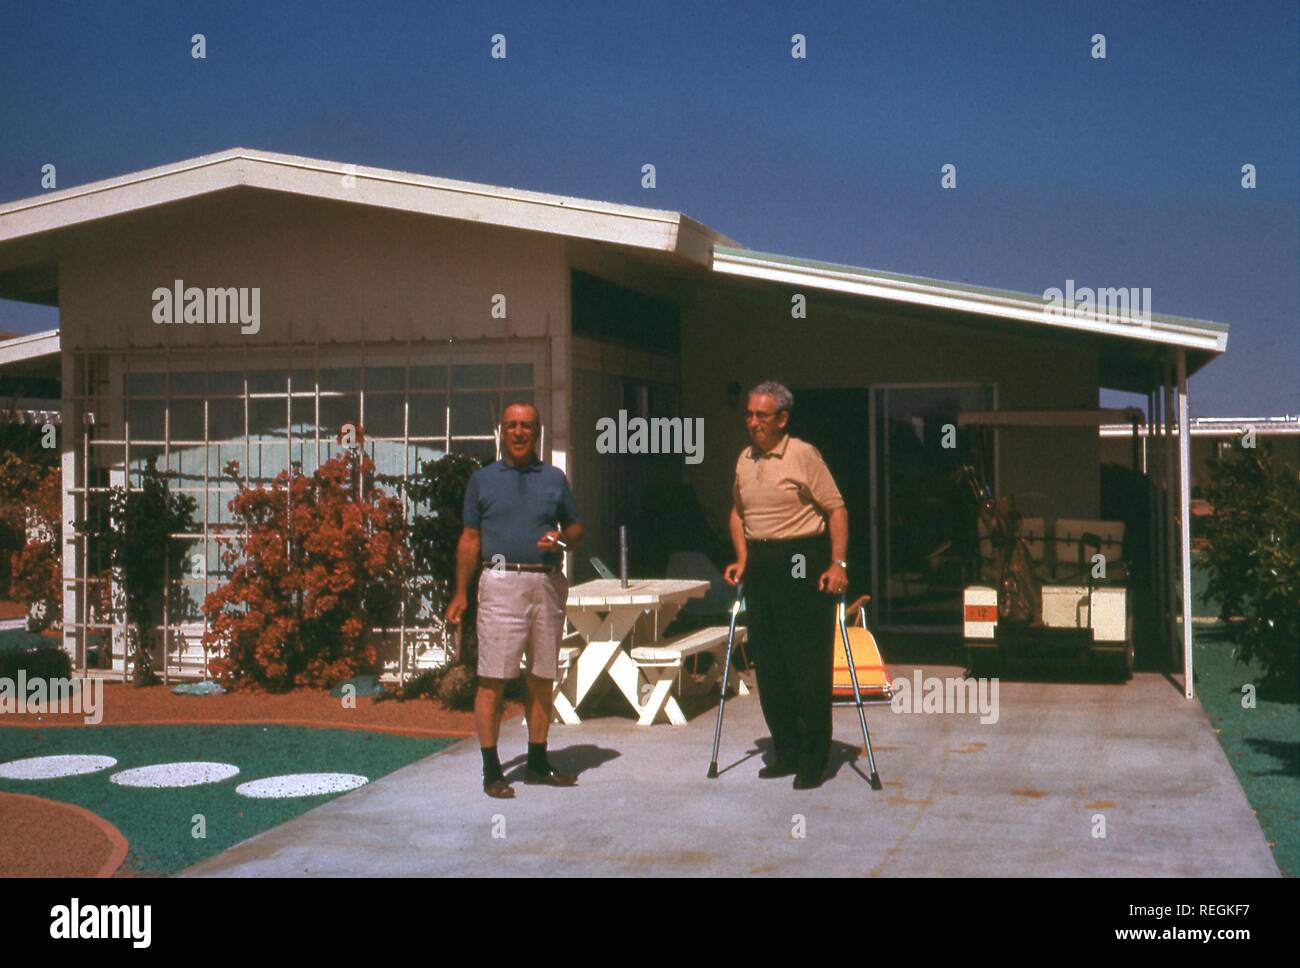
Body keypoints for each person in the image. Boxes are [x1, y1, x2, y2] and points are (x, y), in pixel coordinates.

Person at [445, 402, 584, 799]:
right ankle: (492, 771)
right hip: (499, 583)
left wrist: (560, 539)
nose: (519, 432)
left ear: (538, 432)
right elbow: (470, 539)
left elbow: (575, 529)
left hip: (545, 584)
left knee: (541, 677)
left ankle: (538, 763)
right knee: (493, 679)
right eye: (512, 426)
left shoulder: (554, 478)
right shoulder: (483, 480)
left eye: (527, 426)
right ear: (501, 432)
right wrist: (459, 592)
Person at [724, 381, 849, 790]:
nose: (753, 422)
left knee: (805, 663)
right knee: (770, 663)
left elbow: (836, 509)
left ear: (782, 419)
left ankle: (815, 756)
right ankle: (787, 748)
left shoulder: (803, 454)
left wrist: (837, 562)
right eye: (749, 414)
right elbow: (738, 513)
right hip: (761, 563)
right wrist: (742, 559)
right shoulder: (745, 459)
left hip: (800, 559)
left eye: (762, 415)